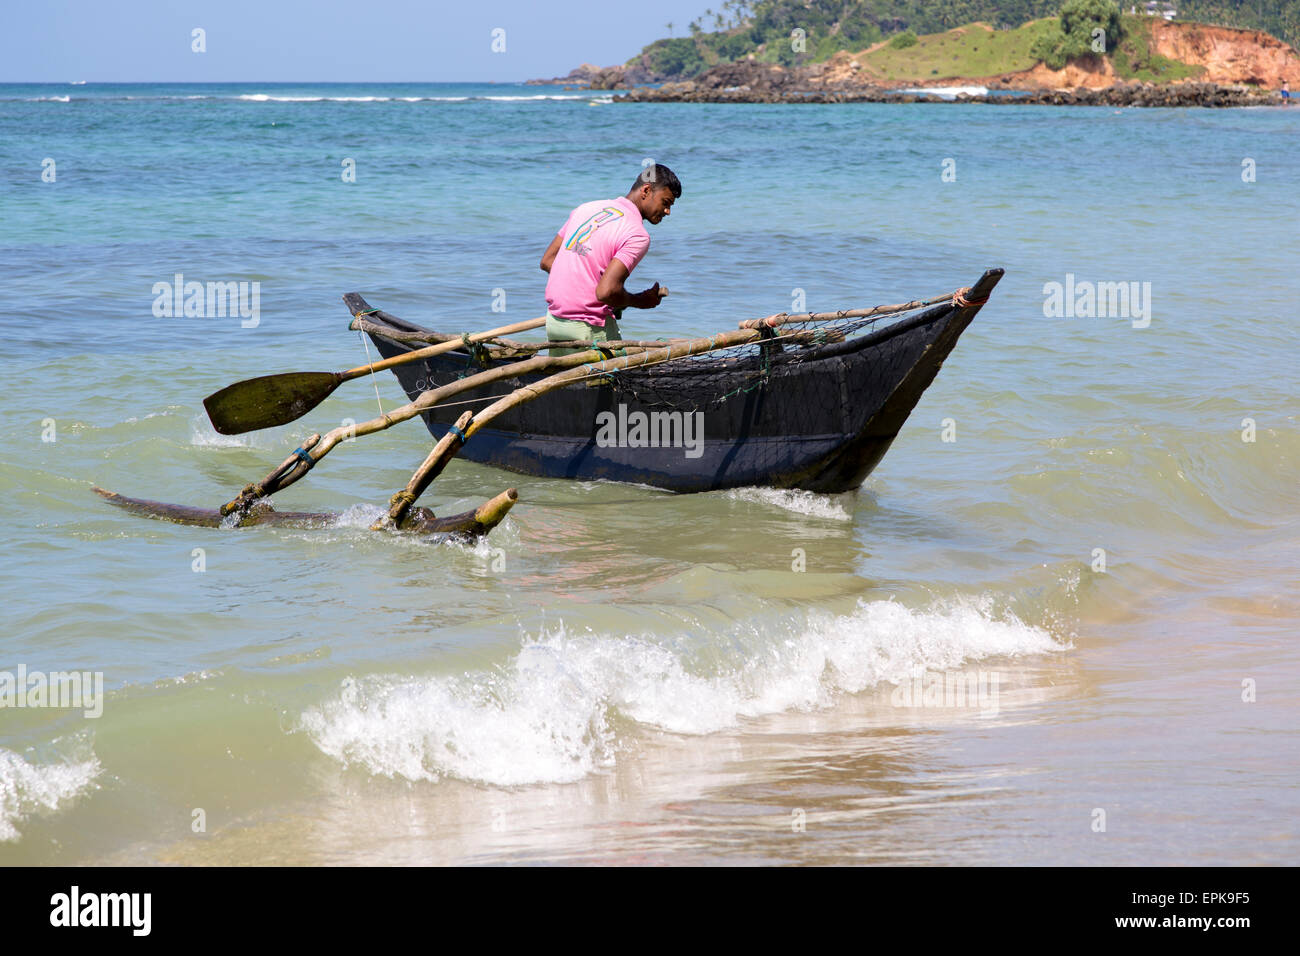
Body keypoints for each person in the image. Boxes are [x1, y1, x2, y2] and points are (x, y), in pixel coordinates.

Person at [540, 164, 680, 355]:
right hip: (589, 328)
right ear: (646, 190)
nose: (668, 211)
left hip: (555, 321)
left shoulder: (586, 209)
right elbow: (606, 292)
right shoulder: (637, 235)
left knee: (566, 381)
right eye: (665, 202)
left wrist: (600, 294)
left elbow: (548, 260)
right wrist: (639, 300)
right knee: (618, 379)